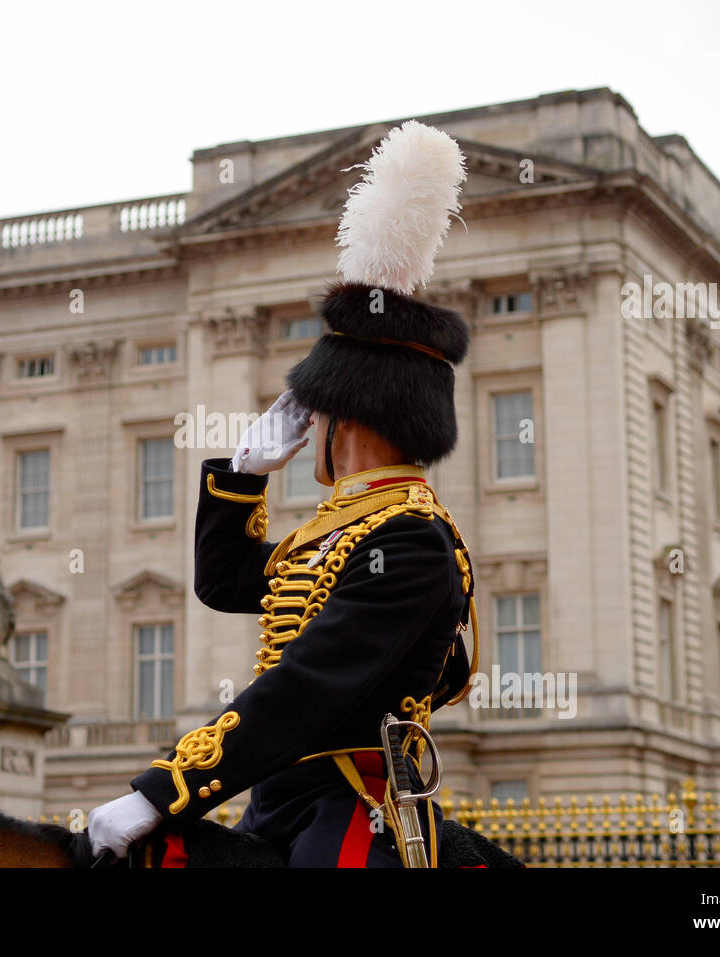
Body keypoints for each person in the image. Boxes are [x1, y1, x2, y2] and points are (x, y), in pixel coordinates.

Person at [89, 120, 502, 867]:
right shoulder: (341, 532)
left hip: (355, 807)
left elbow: (308, 682)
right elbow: (225, 582)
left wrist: (164, 788)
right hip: (278, 798)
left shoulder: (410, 540)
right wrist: (242, 476)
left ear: (340, 410)